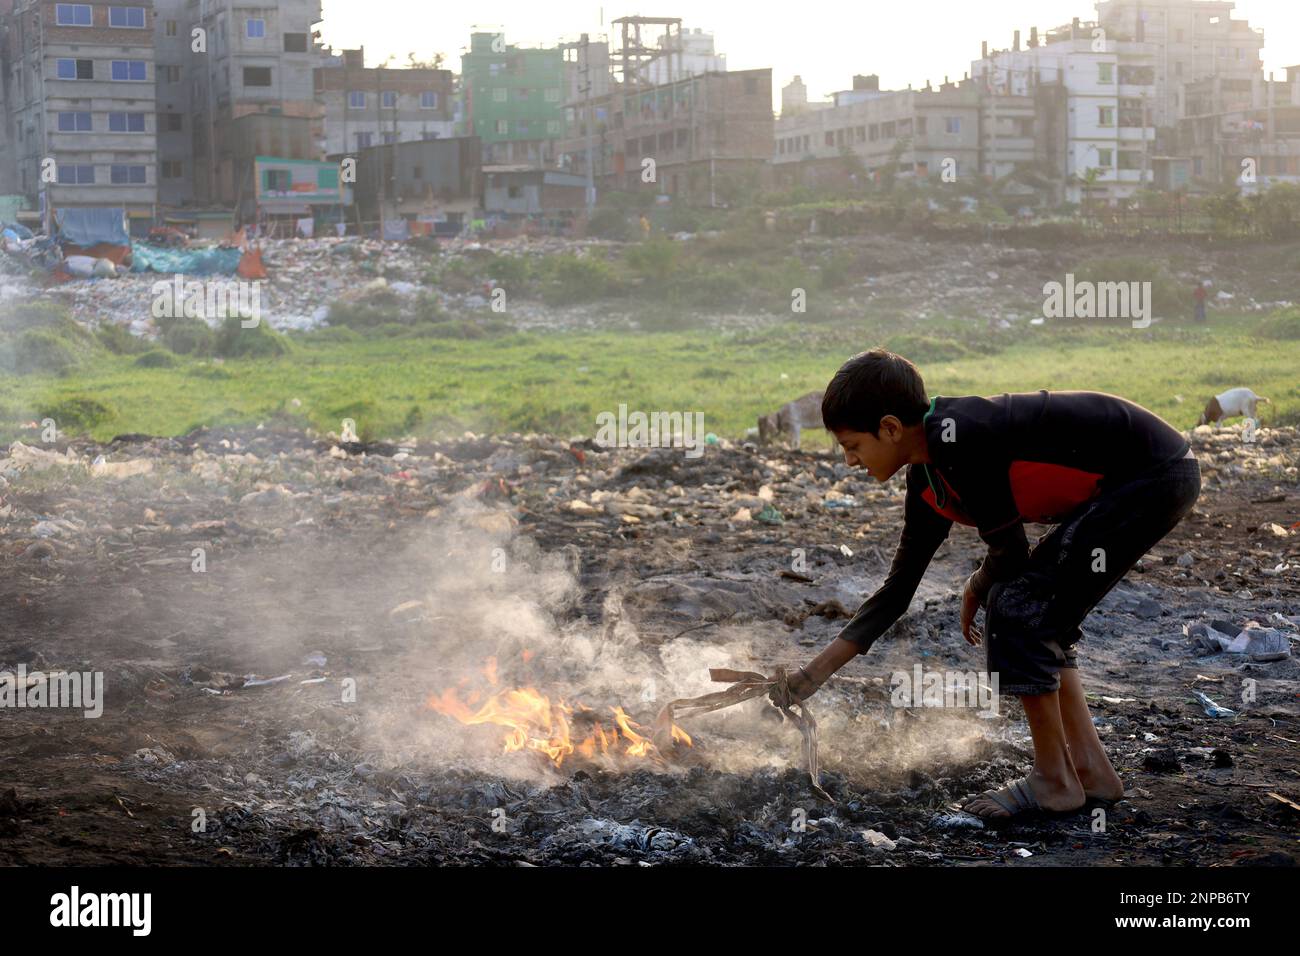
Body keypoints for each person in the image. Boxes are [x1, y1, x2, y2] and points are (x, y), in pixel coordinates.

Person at [778, 350, 1200, 822]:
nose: (849, 461)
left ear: (891, 428)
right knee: (1035, 611)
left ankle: (1054, 782)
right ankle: (1090, 772)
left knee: (1018, 605)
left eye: (852, 444)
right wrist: (806, 680)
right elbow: (898, 591)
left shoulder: (959, 440)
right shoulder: (927, 478)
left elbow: (1011, 554)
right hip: (1143, 478)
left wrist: (977, 584)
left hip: (1152, 475)